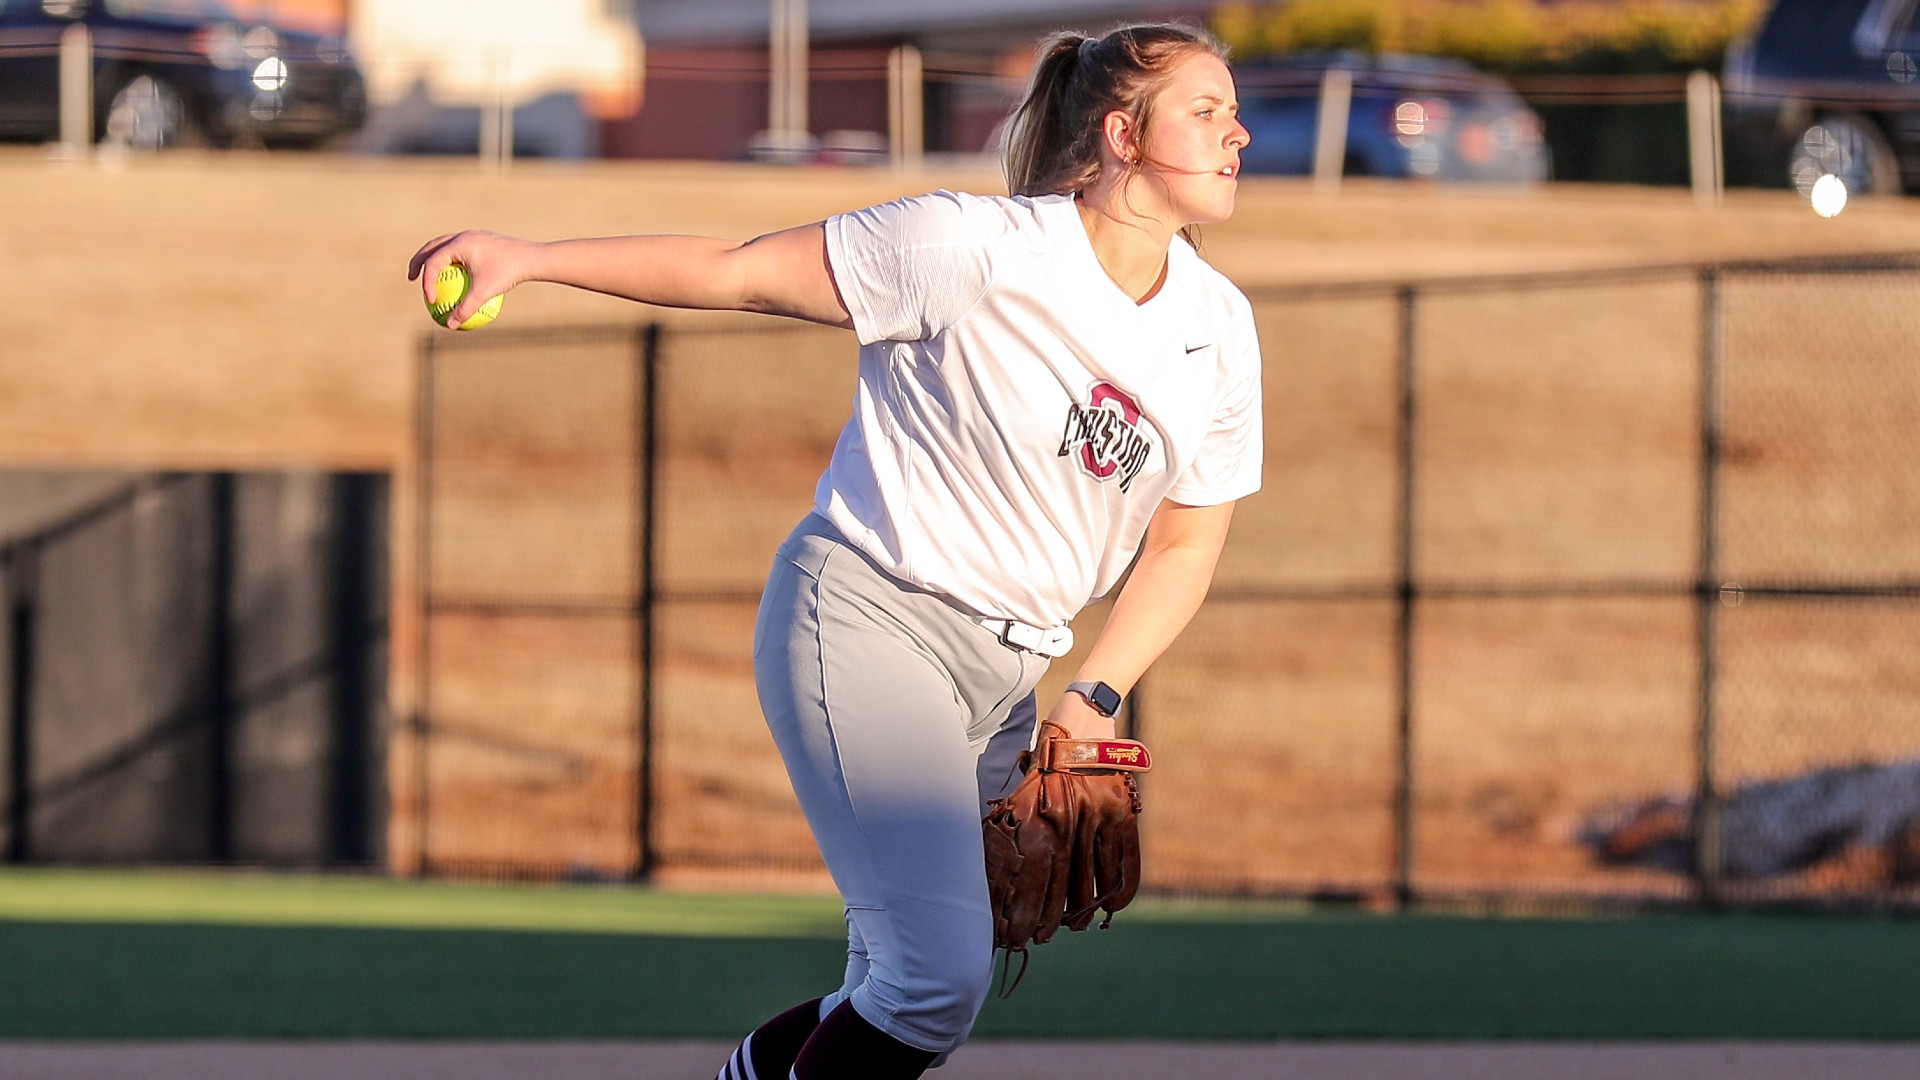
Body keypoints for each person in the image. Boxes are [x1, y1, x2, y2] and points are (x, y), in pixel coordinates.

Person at [408, 21, 1261, 1079]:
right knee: (934, 983)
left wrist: (1093, 694)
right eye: (1208, 111)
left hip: (1007, 678)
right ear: (1125, 133)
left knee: (894, 985)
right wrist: (531, 261)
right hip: (869, 619)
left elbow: (1190, 533)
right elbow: (739, 273)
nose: (1241, 135)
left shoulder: (1218, 328)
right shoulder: (974, 247)